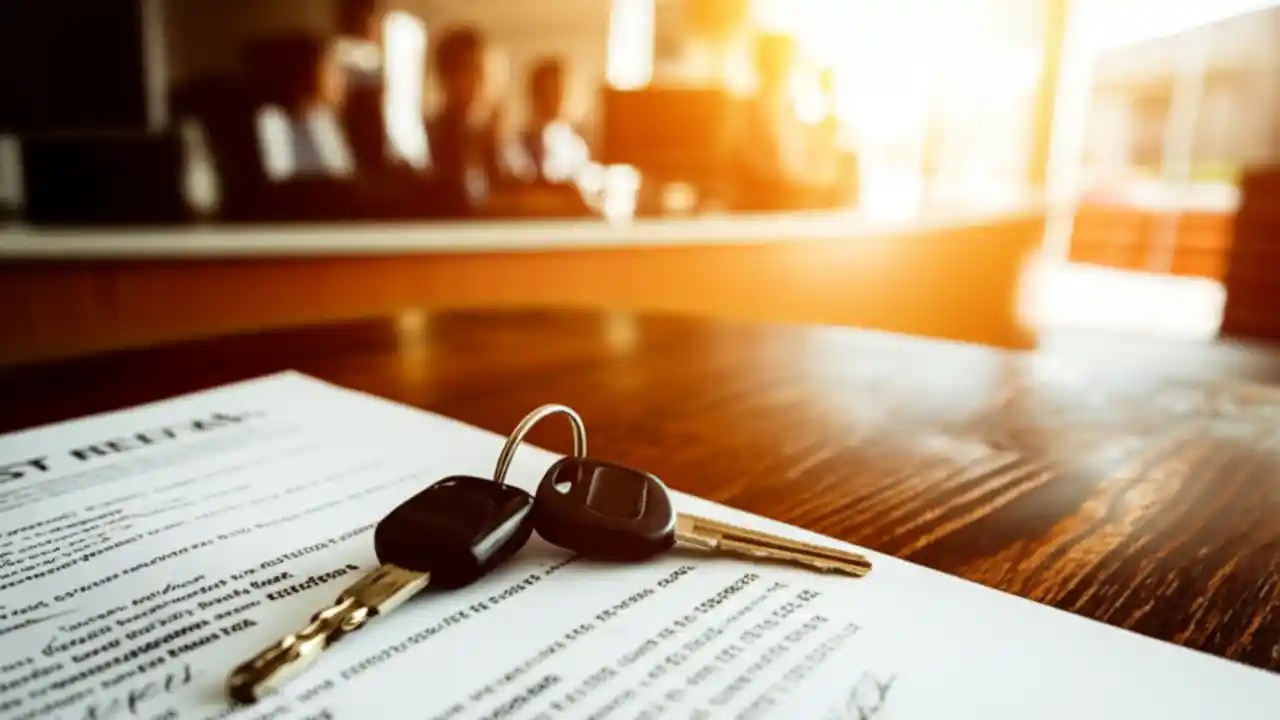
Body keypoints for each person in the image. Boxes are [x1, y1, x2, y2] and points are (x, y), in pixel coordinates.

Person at [425, 26, 509, 209]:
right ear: (447, 76)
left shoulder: (500, 140)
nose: (482, 83)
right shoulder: (427, 141)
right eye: (471, 71)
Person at [519, 58, 590, 185]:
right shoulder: (514, 144)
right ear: (533, 93)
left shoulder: (575, 147)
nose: (553, 99)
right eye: (546, 91)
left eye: (558, 91)